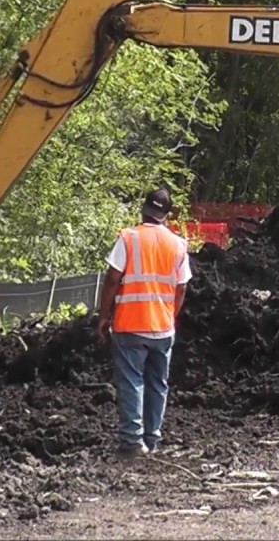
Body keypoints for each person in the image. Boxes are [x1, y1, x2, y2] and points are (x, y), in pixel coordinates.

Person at [96, 187, 192, 459]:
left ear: (143, 210)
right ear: (166, 214)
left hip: (130, 325)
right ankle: (152, 439)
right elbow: (181, 287)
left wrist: (104, 316)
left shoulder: (128, 238)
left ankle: (132, 442)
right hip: (162, 327)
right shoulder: (177, 244)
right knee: (158, 383)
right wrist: (170, 314)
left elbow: (113, 278)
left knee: (132, 382)